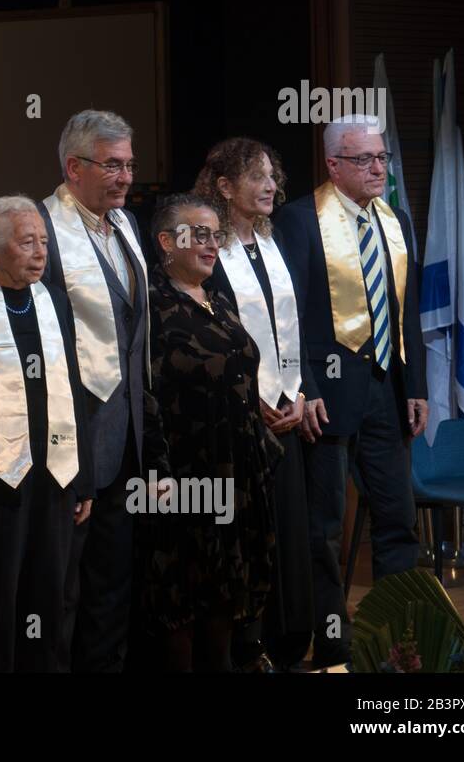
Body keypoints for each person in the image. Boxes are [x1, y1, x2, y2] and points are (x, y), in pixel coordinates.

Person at [272, 115, 427, 669]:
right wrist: (304, 387)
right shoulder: (298, 220)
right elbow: (286, 316)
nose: (379, 168)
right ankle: (333, 639)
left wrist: (418, 385)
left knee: (398, 519)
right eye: (365, 159)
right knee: (326, 529)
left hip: (388, 388)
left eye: (382, 157)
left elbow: (408, 312)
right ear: (333, 163)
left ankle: (395, 635)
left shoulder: (397, 220)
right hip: (327, 395)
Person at [37, 109, 163, 672]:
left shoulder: (128, 227)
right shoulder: (41, 227)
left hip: (126, 434)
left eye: (129, 165)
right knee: (63, 588)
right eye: (112, 165)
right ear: (74, 166)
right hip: (70, 439)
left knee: (114, 582)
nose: (125, 177)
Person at [0, 196, 94, 671]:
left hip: (53, 478)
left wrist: (83, 476)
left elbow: (73, 385)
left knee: (50, 597)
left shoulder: (55, 303)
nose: (39, 252)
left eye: (44, 242)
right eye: (26, 241)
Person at [144, 192, 282, 672]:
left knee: (227, 586)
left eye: (215, 235)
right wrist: (157, 471)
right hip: (187, 471)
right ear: (166, 241)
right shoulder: (152, 307)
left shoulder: (217, 299)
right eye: (198, 234)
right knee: (185, 588)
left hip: (238, 465)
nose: (211, 244)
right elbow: (148, 398)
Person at [196, 138, 312, 671]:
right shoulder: (208, 250)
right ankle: (248, 644)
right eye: (257, 177)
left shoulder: (270, 242)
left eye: (273, 176)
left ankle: (290, 641)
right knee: (246, 534)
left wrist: (300, 392)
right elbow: (207, 338)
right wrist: (252, 400)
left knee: (287, 530)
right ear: (223, 187)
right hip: (238, 419)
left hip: (286, 411)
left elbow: (293, 327)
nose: (270, 186)